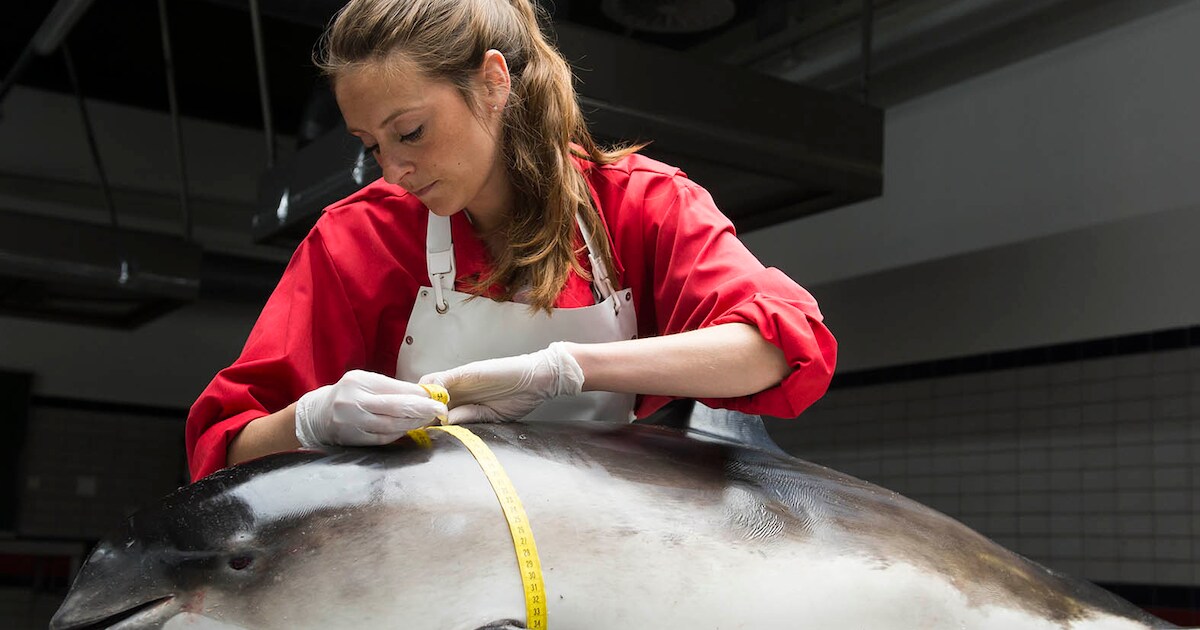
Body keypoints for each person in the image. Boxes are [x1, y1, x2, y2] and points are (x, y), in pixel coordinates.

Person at [185, 0, 837, 481]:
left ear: (494, 82)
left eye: (409, 131)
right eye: (370, 146)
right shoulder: (359, 238)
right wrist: (308, 421)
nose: (394, 170)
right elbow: (224, 447)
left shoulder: (639, 205)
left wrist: (565, 370)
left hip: (598, 554)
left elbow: (779, 349)